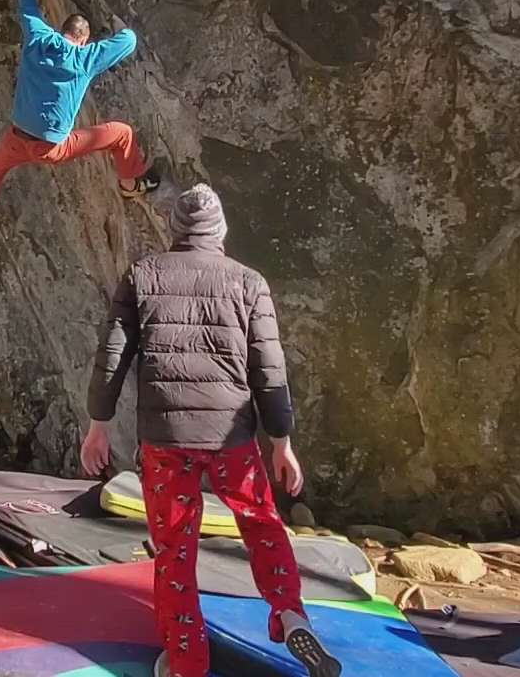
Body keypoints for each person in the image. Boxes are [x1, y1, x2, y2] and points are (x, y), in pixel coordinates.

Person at [81, 184, 340, 677]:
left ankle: (186, 662)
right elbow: (270, 369)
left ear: (175, 229)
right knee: (261, 523)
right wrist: (281, 442)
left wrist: (99, 426)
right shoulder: (249, 282)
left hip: (166, 438)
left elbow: (112, 356)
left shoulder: (143, 274)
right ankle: (288, 610)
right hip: (231, 437)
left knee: (174, 551)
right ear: (221, 230)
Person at [0, 0, 159, 226]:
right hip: (52, 147)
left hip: (16, 138)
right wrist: (121, 25)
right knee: (122, 134)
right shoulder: (84, 58)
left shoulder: (38, 39)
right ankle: (130, 185)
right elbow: (129, 40)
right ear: (83, 40)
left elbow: (28, 7)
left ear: (61, 30)